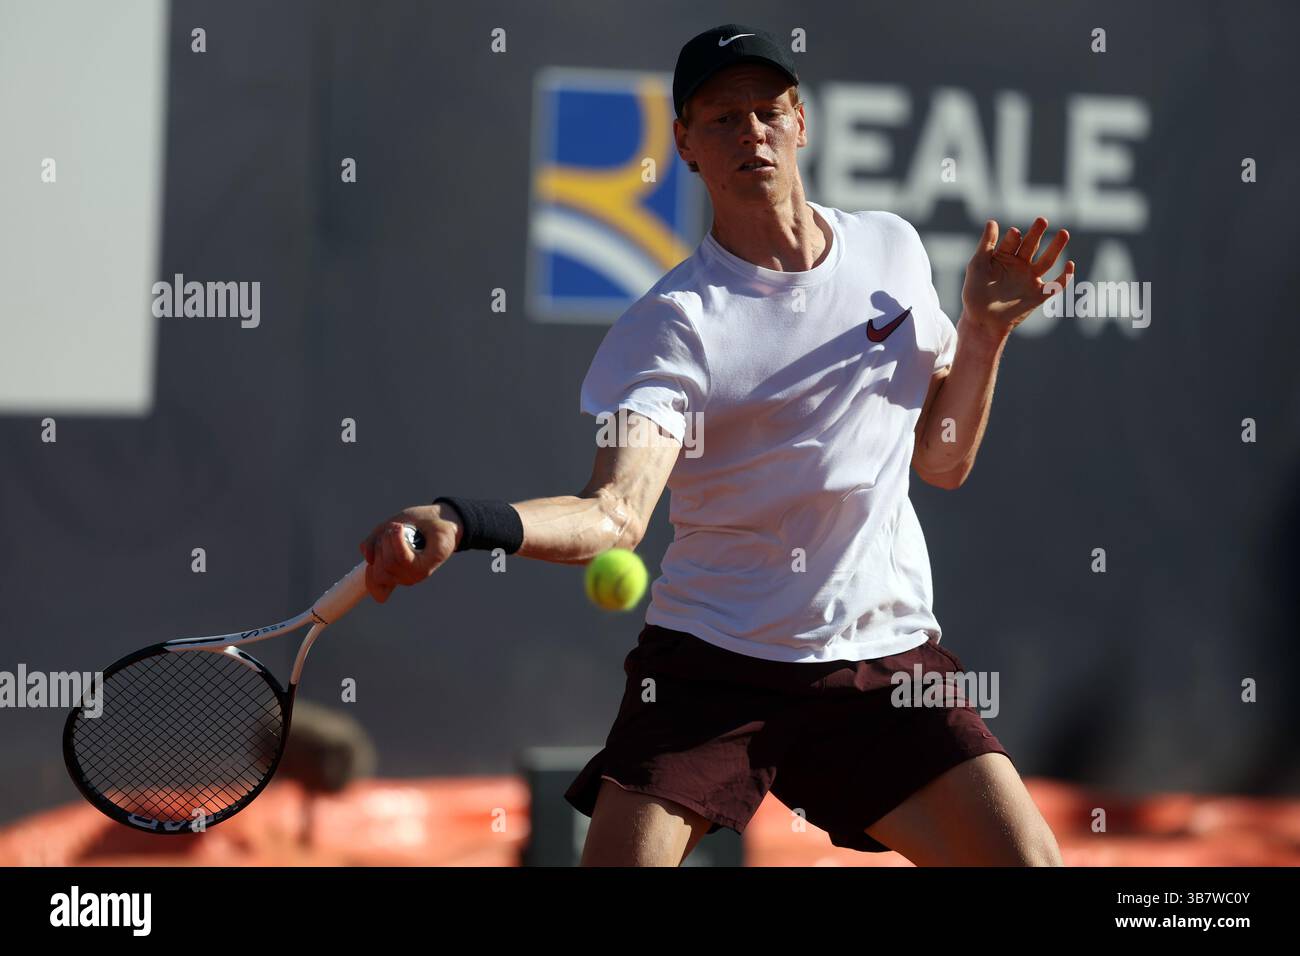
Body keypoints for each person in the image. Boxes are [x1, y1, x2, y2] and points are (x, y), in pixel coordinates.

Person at [359, 23, 1073, 866]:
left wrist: (985, 330)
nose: (750, 134)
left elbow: (943, 463)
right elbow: (614, 515)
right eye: (722, 118)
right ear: (685, 145)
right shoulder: (672, 327)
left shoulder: (893, 250)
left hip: (881, 656)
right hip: (713, 667)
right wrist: (462, 519)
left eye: (767, 111)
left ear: (801, 122)